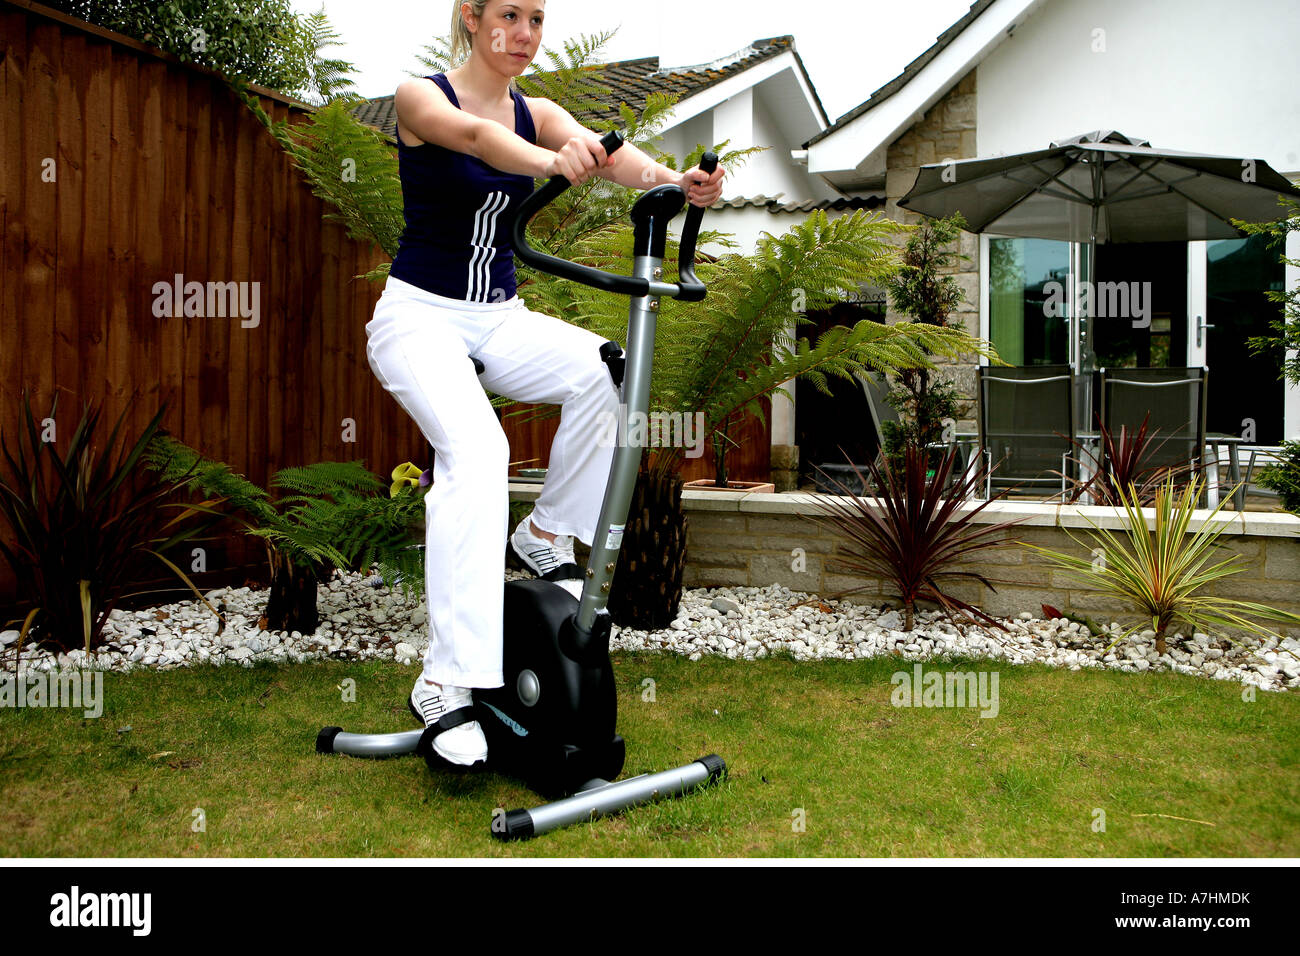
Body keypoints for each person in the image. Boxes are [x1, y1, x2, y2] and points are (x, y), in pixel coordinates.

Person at [364, 0, 725, 767]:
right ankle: (446, 684)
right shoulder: (419, 97)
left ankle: (548, 533)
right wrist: (545, 162)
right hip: (419, 317)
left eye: (536, 18)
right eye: (509, 14)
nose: (524, 33)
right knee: (479, 452)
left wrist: (675, 182)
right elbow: (474, 137)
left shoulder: (542, 109)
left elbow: (613, 158)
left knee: (607, 371)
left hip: (498, 315)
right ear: (470, 17)